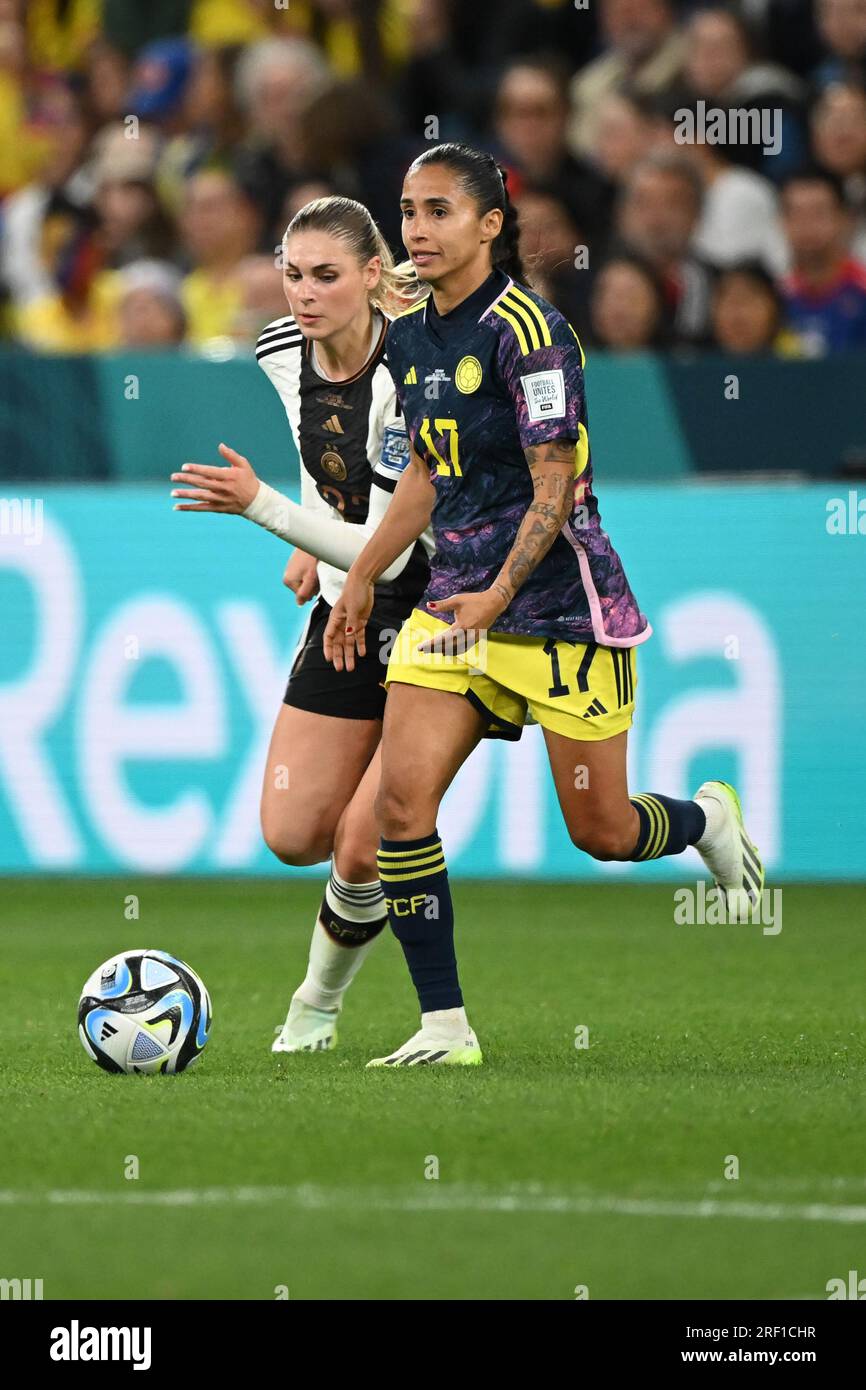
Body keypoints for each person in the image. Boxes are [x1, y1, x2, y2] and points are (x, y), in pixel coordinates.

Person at [323, 143, 765, 1068]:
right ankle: (445, 1026)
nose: (417, 230)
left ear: (490, 225)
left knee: (601, 832)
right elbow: (428, 474)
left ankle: (707, 822)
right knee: (401, 807)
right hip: (454, 611)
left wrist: (499, 591)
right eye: (407, 212)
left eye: (440, 211)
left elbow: (554, 485)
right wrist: (364, 571)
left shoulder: (531, 333)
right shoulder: (408, 338)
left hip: (558, 605)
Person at [170, 194, 432, 1052]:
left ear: (371, 276)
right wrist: (318, 527)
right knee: (292, 835)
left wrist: (266, 511)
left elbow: (390, 557)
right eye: (292, 274)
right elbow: (323, 447)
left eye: (326, 275)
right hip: (343, 598)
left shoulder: (412, 373)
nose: (304, 294)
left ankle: (313, 1008)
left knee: (366, 841)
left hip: (438, 606)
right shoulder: (280, 347)